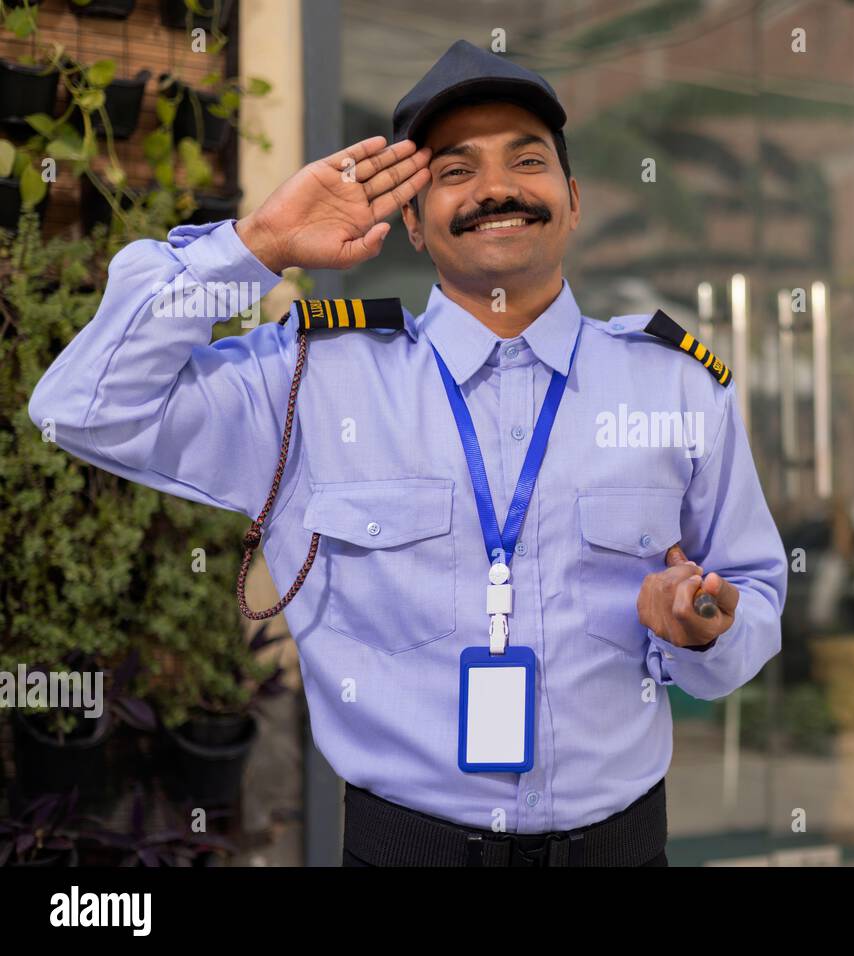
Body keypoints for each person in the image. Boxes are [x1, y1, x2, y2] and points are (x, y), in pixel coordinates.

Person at [29, 38, 787, 867]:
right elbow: (84, 409)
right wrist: (260, 244)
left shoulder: (676, 387)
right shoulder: (310, 382)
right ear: (415, 225)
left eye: (526, 161)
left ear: (572, 200)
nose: (497, 187)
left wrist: (704, 631)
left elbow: (751, 593)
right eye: (455, 172)